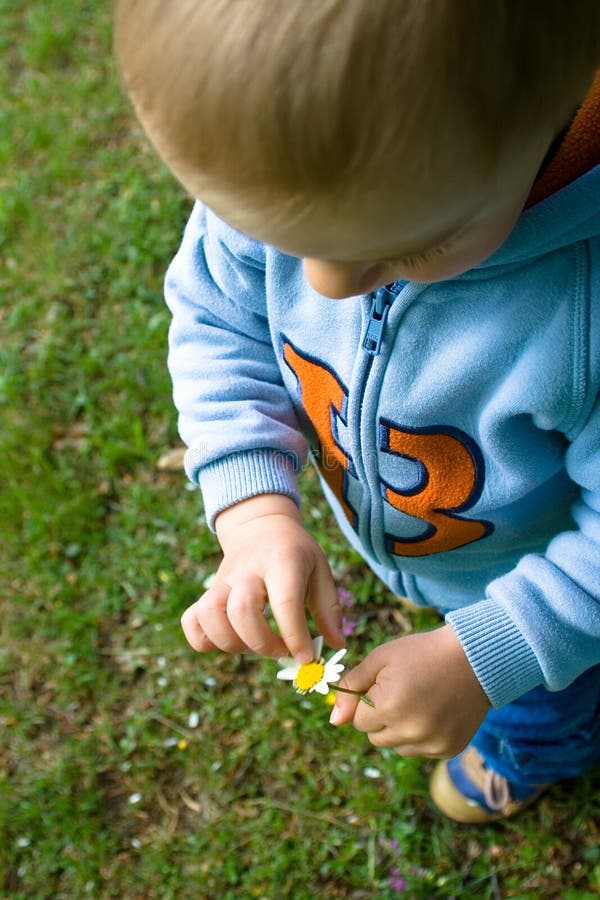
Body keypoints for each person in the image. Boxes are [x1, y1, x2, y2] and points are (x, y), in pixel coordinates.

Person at [114, 0, 600, 823]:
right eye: (268, 238)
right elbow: (218, 318)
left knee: (552, 696)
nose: (323, 287)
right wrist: (256, 511)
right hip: (445, 546)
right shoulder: (294, 168)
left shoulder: (582, 300)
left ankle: (538, 749)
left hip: (549, 589)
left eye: (405, 251)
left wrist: (487, 655)